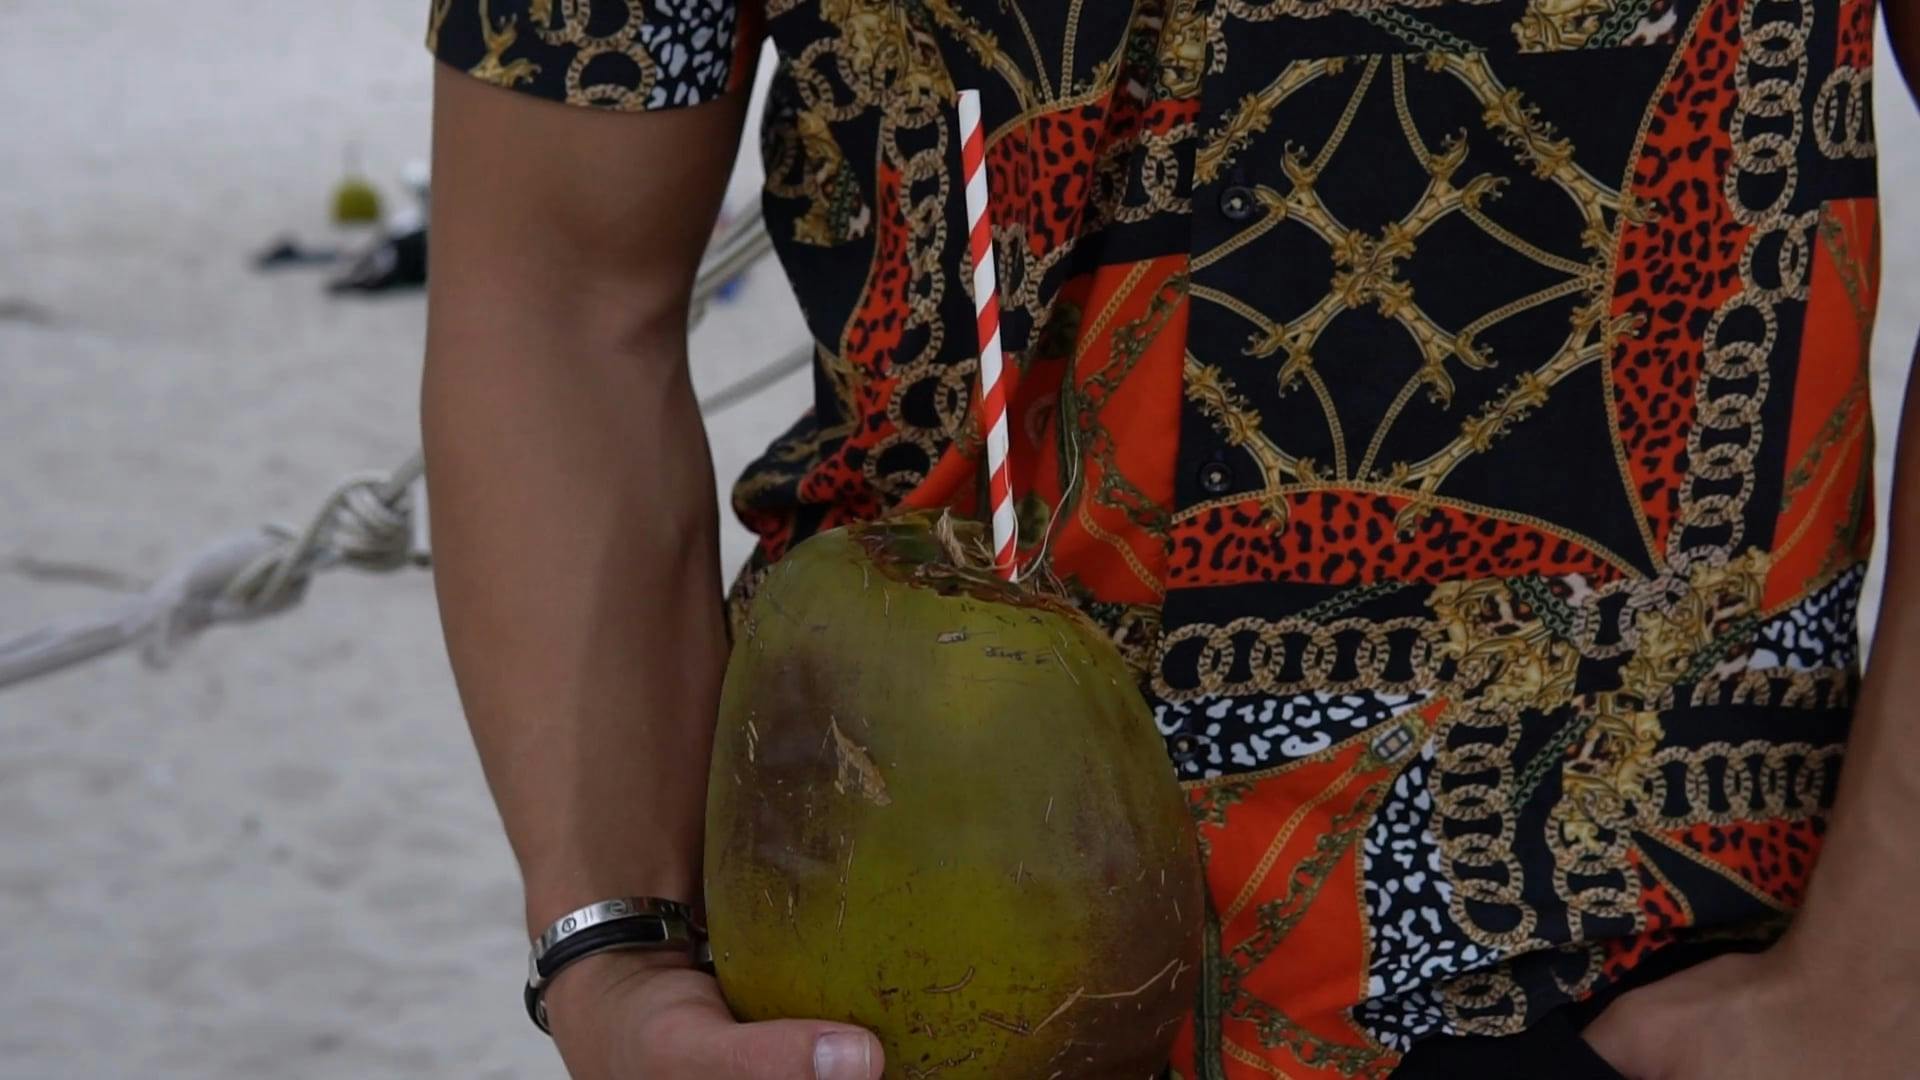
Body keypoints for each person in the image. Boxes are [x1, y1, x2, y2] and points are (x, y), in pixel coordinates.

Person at [419, 0, 1920, 1075]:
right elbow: (554, 288)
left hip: (1614, 967)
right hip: (888, 949)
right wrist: (612, 943)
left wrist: (1874, 991)